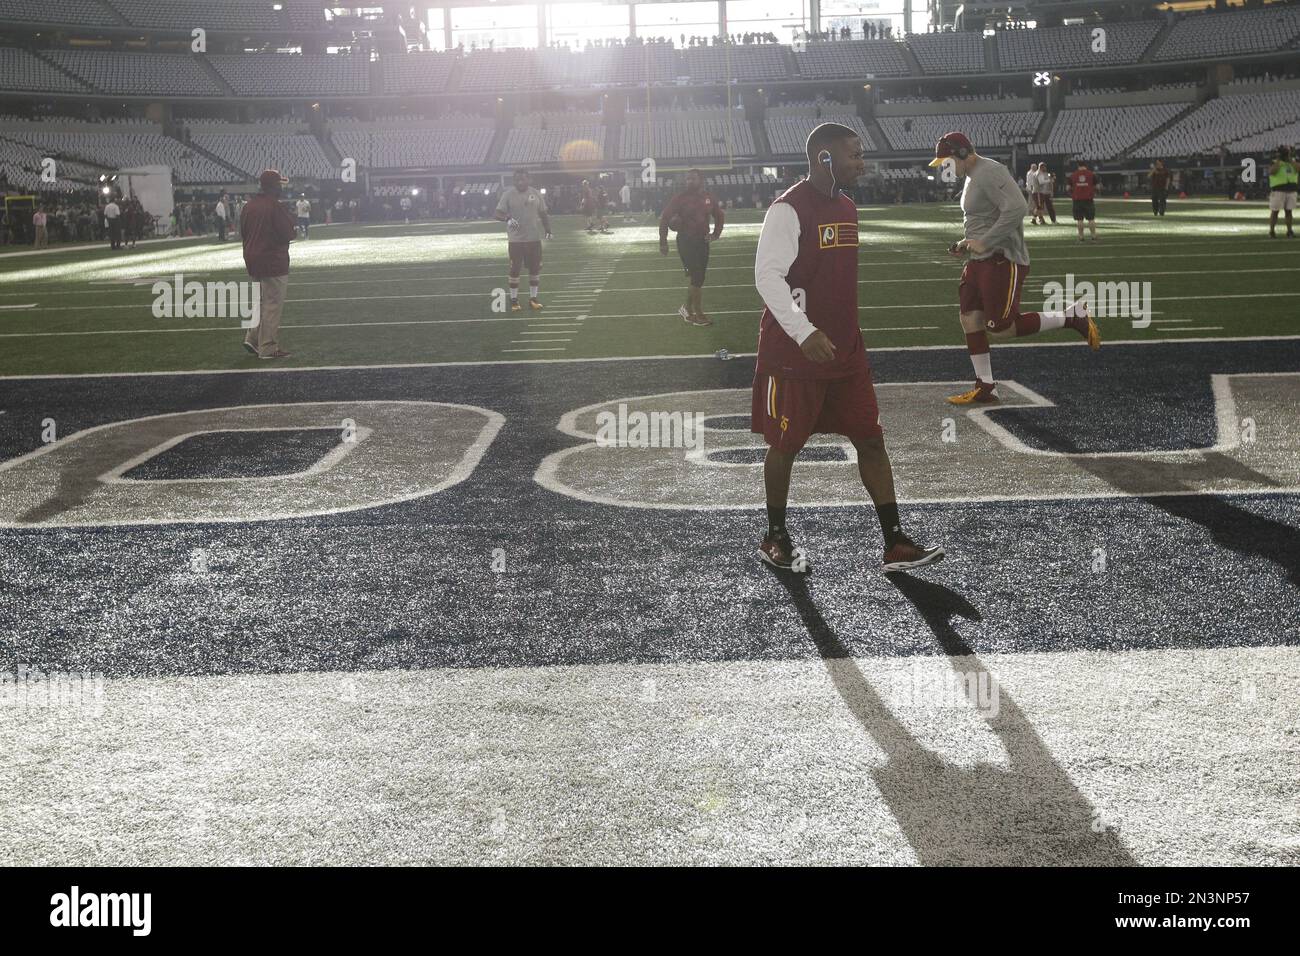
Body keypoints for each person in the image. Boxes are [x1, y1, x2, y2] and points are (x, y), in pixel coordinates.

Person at [752, 123, 944, 574]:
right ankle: (775, 536)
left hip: (846, 354)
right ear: (824, 158)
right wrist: (805, 332)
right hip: (794, 355)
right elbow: (766, 277)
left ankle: (895, 542)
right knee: (784, 446)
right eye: (854, 154)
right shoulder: (787, 210)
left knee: (871, 441)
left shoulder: (848, 207)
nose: (862, 162)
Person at [928, 132, 1099, 407]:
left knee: (1001, 327)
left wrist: (984, 242)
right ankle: (985, 385)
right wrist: (966, 243)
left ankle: (1071, 317)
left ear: (961, 154)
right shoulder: (974, 175)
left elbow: (1017, 208)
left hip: (1001, 259)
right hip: (979, 260)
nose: (946, 168)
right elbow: (982, 218)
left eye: (947, 161)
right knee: (970, 318)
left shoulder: (989, 171)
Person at [240, 169, 297, 360]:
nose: (281, 187)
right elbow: (288, 233)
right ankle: (268, 347)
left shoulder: (249, 206)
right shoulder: (275, 206)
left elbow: (244, 232)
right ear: (273, 186)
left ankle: (253, 337)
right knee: (272, 303)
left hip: (252, 259)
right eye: (279, 184)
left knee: (260, 301)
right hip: (272, 260)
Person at [658, 168, 724, 327]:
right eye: (687, 179)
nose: (689, 182)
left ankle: (686, 308)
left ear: (700, 180)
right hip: (686, 241)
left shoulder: (708, 197)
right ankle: (698, 314)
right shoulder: (679, 198)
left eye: (692, 179)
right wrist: (663, 242)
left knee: (698, 278)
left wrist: (715, 234)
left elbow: (719, 215)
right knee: (697, 277)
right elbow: (665, 218)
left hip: (703, 242)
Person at [493, 168, 553, 312]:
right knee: (515, 269)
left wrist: (548, 230)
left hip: (533, 238)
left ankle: (533, 299)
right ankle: (514, 300)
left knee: (535, 269)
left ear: (529, 180)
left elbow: (543, 213)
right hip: (516, 240)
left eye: (523, 179)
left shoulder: (536, 193)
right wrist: (507, 218)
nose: (520, 182)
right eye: (517, 179)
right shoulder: (508, 194)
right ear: (514, 181)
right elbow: (497, 213)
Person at [1268, 145, 1297, 238]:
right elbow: (1272, 171)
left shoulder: (1293, 162)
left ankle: (1289, 231)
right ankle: (1272, 231)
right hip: (1278, 190)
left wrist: (1290, 160)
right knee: (1275, 211)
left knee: (1289, 212)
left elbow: (1299, 169)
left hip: (1291, 189)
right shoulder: (1274, 162)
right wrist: (1279, 161)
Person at [1069, 159, 1099, 242]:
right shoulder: (1091, 174)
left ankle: (1081, 237)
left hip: (1077, 199)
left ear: (1078, 166)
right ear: (1086, 165)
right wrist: (1094, 193)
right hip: (1088, 199)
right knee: (1091, 219)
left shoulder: (1073, 175)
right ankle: (1093, 236)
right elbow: (1097, 187)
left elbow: (1068, 188)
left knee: (1079, 219)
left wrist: (1072, 195)